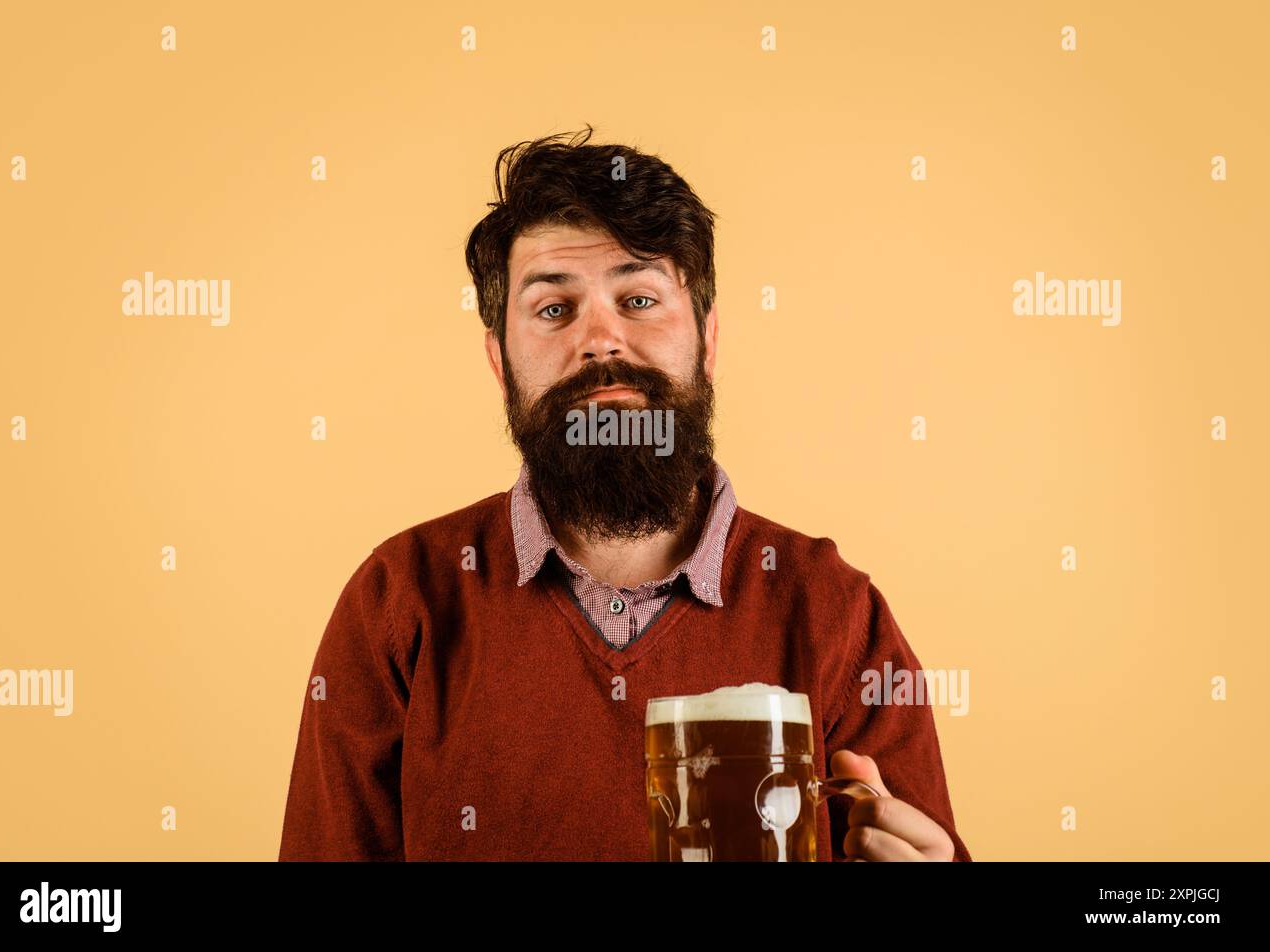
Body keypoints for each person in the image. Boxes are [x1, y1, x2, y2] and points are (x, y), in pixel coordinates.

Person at [278, 126, 970, 861]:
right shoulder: (399, 602)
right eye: (553, 309)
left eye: (638, 299)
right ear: (498, 359)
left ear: (706, 342)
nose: (601, 339)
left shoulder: (836, 613)